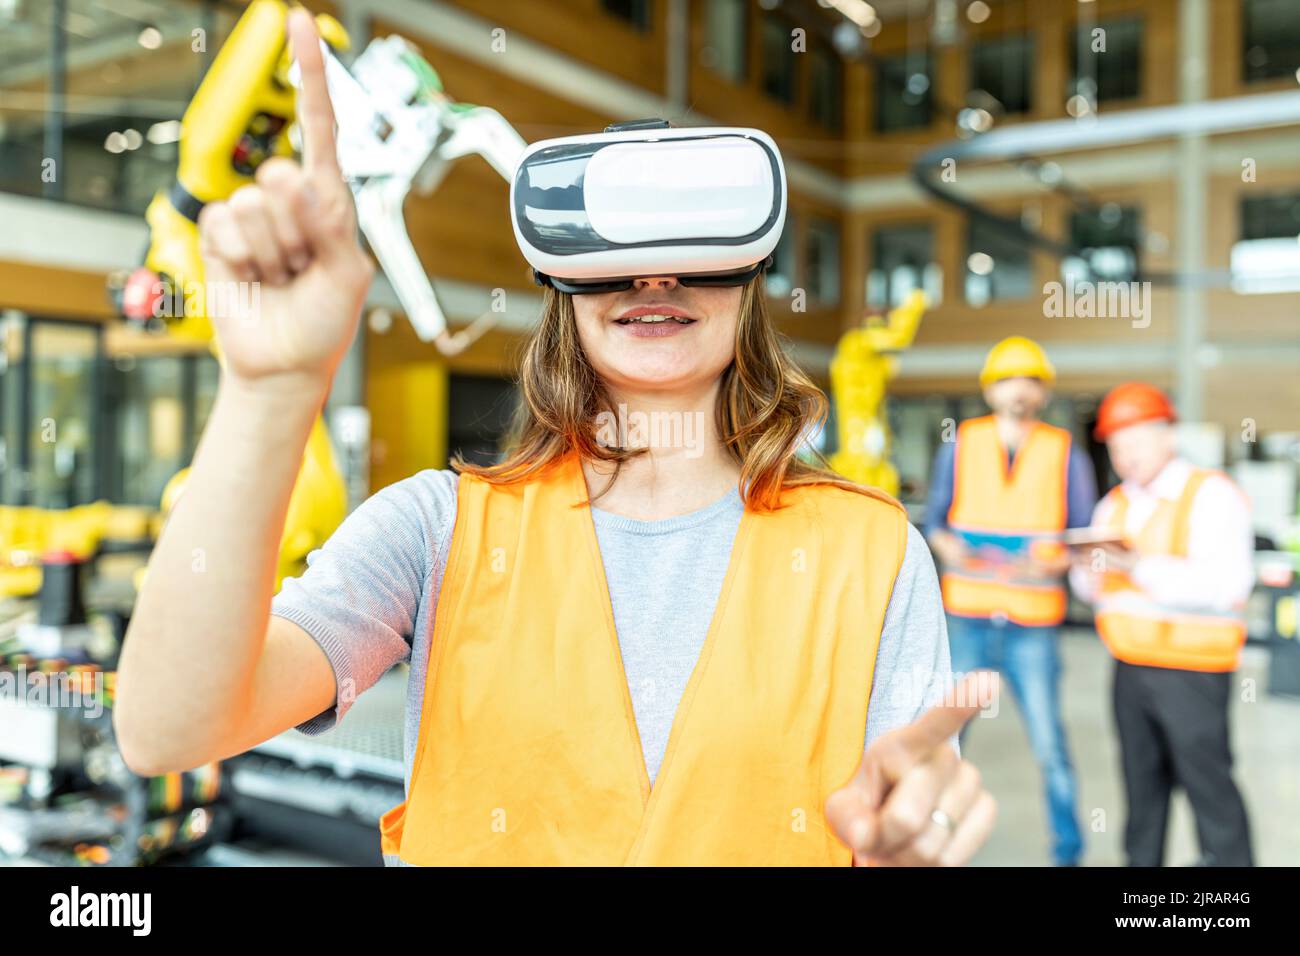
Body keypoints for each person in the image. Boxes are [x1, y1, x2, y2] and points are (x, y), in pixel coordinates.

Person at [114, 9, 998, 867]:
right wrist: (268, 393)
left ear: (751, 275)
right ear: (562, 284)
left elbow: (900, 818)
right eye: (617, 246)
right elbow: (168, 727)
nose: (655, 274)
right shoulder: (440, 534)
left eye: (693, 239)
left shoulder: (872, 552)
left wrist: (908, 854)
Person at [925, 336, 1096, 866]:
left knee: (1050, 748)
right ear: (990, 388)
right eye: (1007, 378)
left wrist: (1053, 560)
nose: (1018, 389)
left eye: (1028, 379)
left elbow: (1082, 536)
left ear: (1042, 391)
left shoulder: (1064, 450)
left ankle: (1068, 854)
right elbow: (936, 523)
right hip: (970, 617)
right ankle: (926, 846)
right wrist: (955, 551)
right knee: (945, 744)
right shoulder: (961, 443)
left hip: (1032, 623)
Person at [1070, 382, 1254, 867]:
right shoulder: (1115, 505)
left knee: (1208, 787)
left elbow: (1227, 587)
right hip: (1130, 668)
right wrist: (1084, 568)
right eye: (1116, 445)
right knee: (1141, 791)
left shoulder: (1211, 495)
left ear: (1167, 435)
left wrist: (1135, 567)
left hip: (1193, 670)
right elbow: (1091, 590)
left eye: (1135, 442)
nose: (1125, 456)